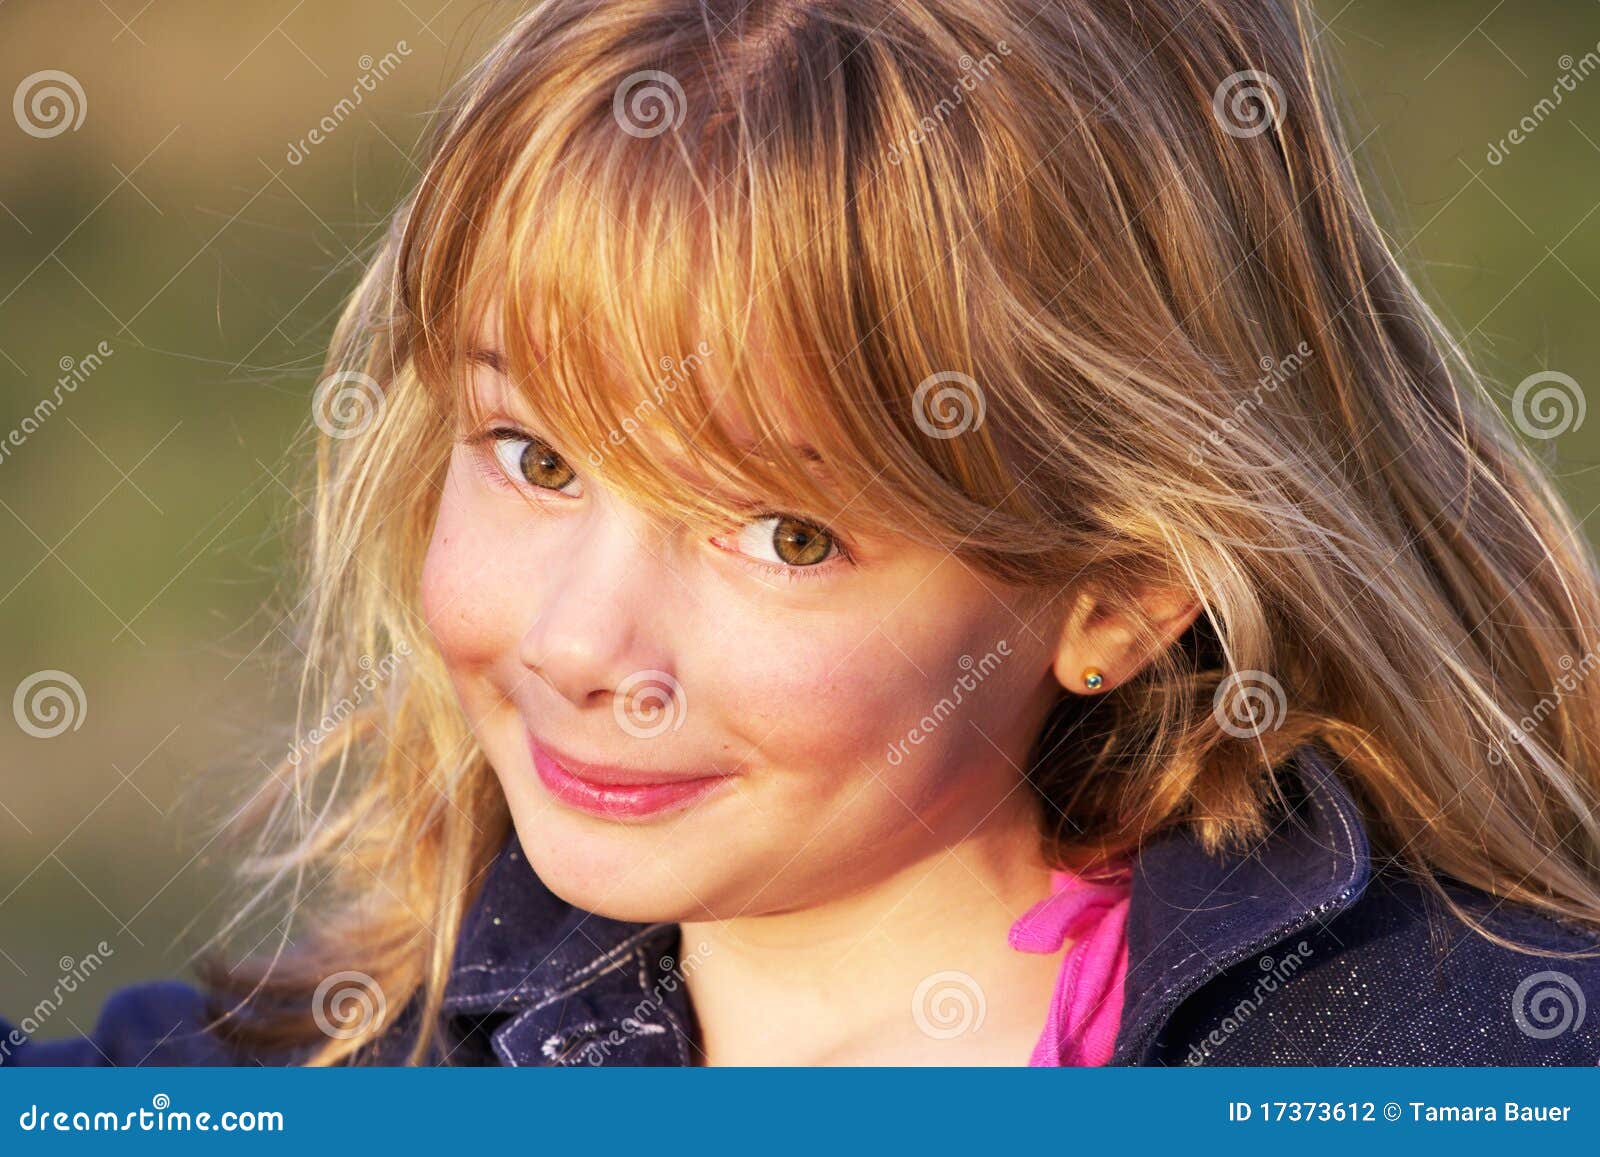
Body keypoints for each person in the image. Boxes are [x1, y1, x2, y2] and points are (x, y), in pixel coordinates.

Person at [7, 0, 1600, 1067]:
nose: (578, 640)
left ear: (1117, 593)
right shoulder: (324, 1072)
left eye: (784, 534)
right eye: (534, 456)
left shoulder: (1471, 1051)